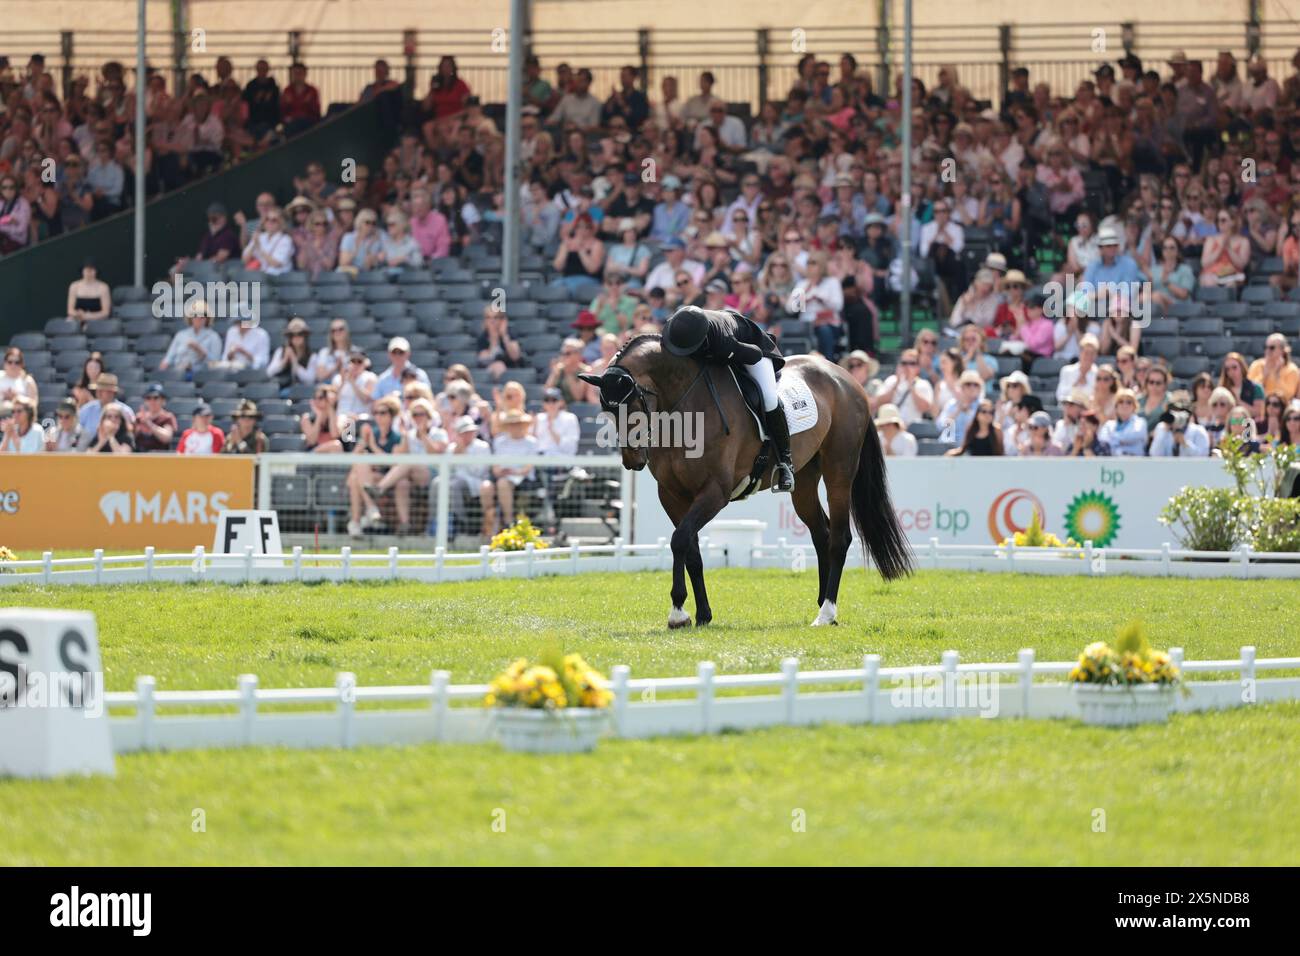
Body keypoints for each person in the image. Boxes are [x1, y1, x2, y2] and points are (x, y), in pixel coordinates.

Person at [659, 305, 795, 491]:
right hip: (715, 342)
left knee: (770, 399)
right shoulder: (675, 329)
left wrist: (723, 355)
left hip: (752, 348)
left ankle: (785, 462)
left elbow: (753, 355)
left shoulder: (724, 343)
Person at [363, 397, 447, 535]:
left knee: (408, 462)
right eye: (415, 415)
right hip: (410, 474)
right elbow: (399, 457)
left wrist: (423, 435)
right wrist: (405, 436)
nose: (418, 418)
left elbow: (436, 454)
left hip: (432, 474)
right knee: (402, 483)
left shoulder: (439, 433)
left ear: (429, 415)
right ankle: (405, 524)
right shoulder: (409, 435)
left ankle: (379, 489)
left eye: (421, 414)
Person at [346, 396, 405, 537]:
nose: (378, 416)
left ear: (391, 416)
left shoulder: (397, 437)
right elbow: (353, 459)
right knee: (355, 477)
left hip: (387, 479)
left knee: (355, 479)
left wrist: (372, 446)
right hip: (369, 478)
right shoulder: (371, 433)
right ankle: (370, 509)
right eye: (376, 413)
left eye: (383, 413)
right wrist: (362, 443)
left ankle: (356, 522)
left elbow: (394, 464)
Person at [485, 408, 540, 536]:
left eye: (518, 423)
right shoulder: (499, 441)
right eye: (512, 424)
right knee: (489, 487)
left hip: (524, 478)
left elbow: (528, 467)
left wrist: (515, 472)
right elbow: (495, 467)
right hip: (503, 477)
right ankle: (489, 525)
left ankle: (508, 522)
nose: (515, 426)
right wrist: (500, 472)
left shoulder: (531, 442)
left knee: (503, 484)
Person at [160, 301, 221, 373]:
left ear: (207, 318)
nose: (198, 318)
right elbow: (168, 358)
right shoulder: (180, 335)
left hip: (201, 374)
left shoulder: (214, 337)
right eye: (195, 315)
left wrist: (200, 350)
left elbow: (216, 363)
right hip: (179, 373)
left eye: (203, 315)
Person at [268, 317, 315, 395]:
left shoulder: (311, 356)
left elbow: (309, 380)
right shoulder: (281, 351)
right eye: (292, 335)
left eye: (300, 334)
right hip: (282, 389)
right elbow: (269, 372)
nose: (296, 337)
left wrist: (294, 361)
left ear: (305, 336)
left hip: (303, 392)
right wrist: (284, 361)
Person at [1248, 334, 1300, 402]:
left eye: (1272, 348)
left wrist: (1277, 374)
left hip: (1281, 408)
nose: (1267, 350)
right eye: (1265, 347)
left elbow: (1288, 395)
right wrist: (1264, 375)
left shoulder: (1292, 369)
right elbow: (1249, 391)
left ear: (1282, 350)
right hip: (1259, 405)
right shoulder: (1256, 365)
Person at [937, 369, 984, 445]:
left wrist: (970, 412)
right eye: (968, 384)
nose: (972, 387)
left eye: (976, 384)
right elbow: (940, 426)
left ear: (979, 388)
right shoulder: (952, 404)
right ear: (962, 387)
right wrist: (958, 410)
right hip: (950, 448)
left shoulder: (984, 406)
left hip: (974, 448)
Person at [1098, 388, 1148, 456]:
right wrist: (1120, 441)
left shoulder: (1140, 422)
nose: (1125, 405)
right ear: (1116, 406)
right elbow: (1103, 440)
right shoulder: (1109, 425)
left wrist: (1113, 438)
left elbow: (1132, 436)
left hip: (1135, 463)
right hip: (1113, 463)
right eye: (1121, 402)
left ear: (1134, 406)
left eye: (1129, 402)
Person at [132, 382, 178, 452]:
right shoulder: (139, 417)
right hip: (139, 456)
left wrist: (148, 424)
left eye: (156, 398)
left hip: (159, 458)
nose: (152, 401)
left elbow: (166, 437)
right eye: (148, 398)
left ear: (163, 400)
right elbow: (131, 438)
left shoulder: (168, 417)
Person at [66, 258, 110, 323]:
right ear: (82, 271)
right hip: (78, 318)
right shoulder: (74, 286)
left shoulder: (103, 287)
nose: (89, 272)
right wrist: (78, 314)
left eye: (92, 269)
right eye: (86, 269)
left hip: (97, 320)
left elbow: (105, 312)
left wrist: (89, 316)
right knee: (69, 321)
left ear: (96, 271)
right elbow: (70, 310)